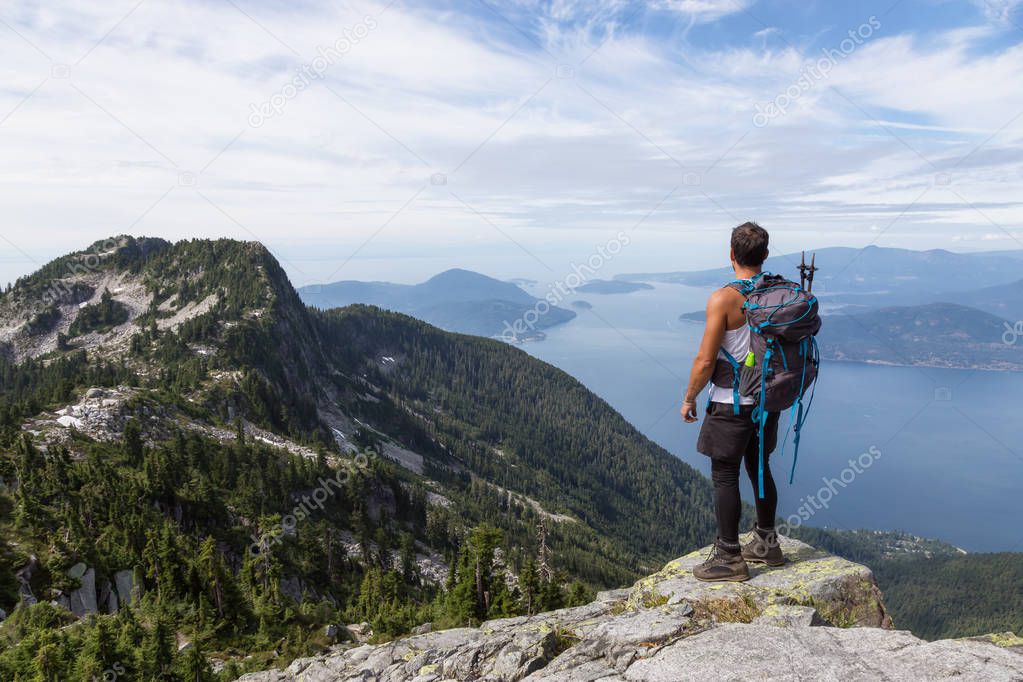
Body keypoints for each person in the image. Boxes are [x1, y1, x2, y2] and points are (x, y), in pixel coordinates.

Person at [680, 222, 784, 581]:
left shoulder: (724, 298)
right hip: (768, 400)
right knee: (759, 467)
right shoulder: (777, 291)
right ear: (765, 255)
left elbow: (706, 361)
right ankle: (767, 543)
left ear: (731, 254)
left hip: (732, 402)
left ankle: (729, 557)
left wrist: (689, 397)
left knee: (725, 474)